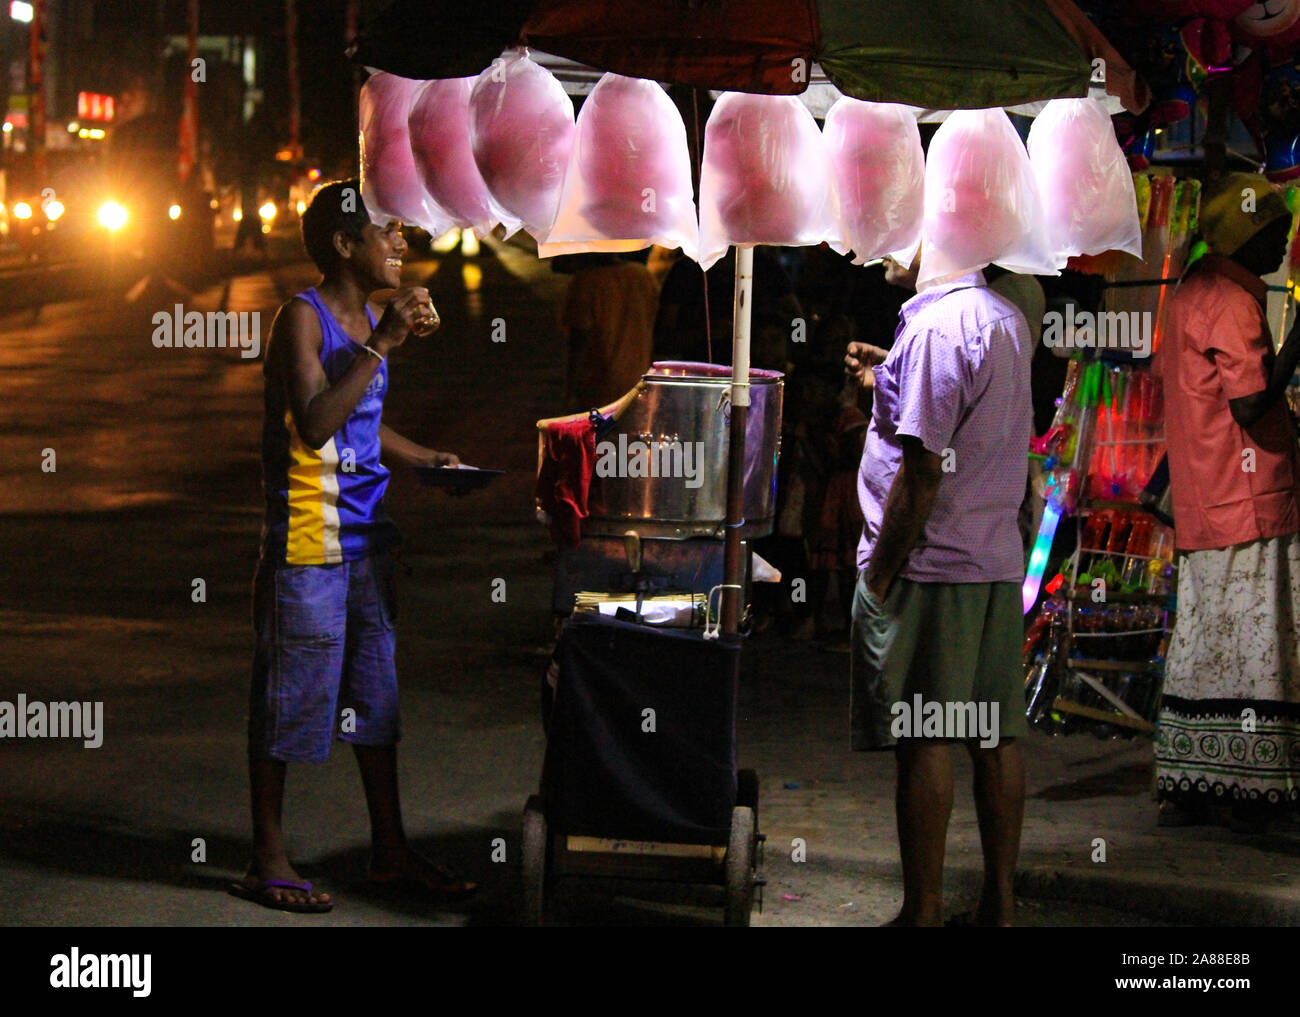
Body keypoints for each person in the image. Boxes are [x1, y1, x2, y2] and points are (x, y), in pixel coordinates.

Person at [231, 180, 474, 913]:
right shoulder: (299, 321)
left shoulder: (367, 316)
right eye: (387, 232)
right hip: (309, 540)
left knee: (376, 701)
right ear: (344, 245)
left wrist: (420, 456)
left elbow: (359, 420)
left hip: (366, 538)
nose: (401, 242)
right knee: (290, 700)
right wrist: (381, 343)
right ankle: (266, 856)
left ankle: (389, 851)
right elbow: (312, 423)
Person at [844, 249, 1034, 926]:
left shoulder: (934, 330)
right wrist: (887, 379)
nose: (889, 244)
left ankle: (923, 910)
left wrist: (880, 572)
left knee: (927, 735)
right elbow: (975, 432)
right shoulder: (1005, 319)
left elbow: (923, 472)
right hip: (992, 561)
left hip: (935, 564)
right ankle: (1000, 905)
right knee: (995, 734)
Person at [1154, 172, 1300, 833]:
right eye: (1275, 231)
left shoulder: (1189, 292)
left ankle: (1194, 780)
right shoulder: (1236, 303)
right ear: (1248, 238)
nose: (1285, 239)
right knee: (1257, 643)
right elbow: (1250, 404)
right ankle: (1255, 790)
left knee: (1207, 640)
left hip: (1204, 498)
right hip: (1247, 496)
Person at [557, 252, 659, 407]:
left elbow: (579, 339)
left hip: (598, 381)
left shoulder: (587, 282)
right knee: (627, 428)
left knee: (603, 429)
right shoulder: (642, 275)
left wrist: (570, 388)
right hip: (638, 373)